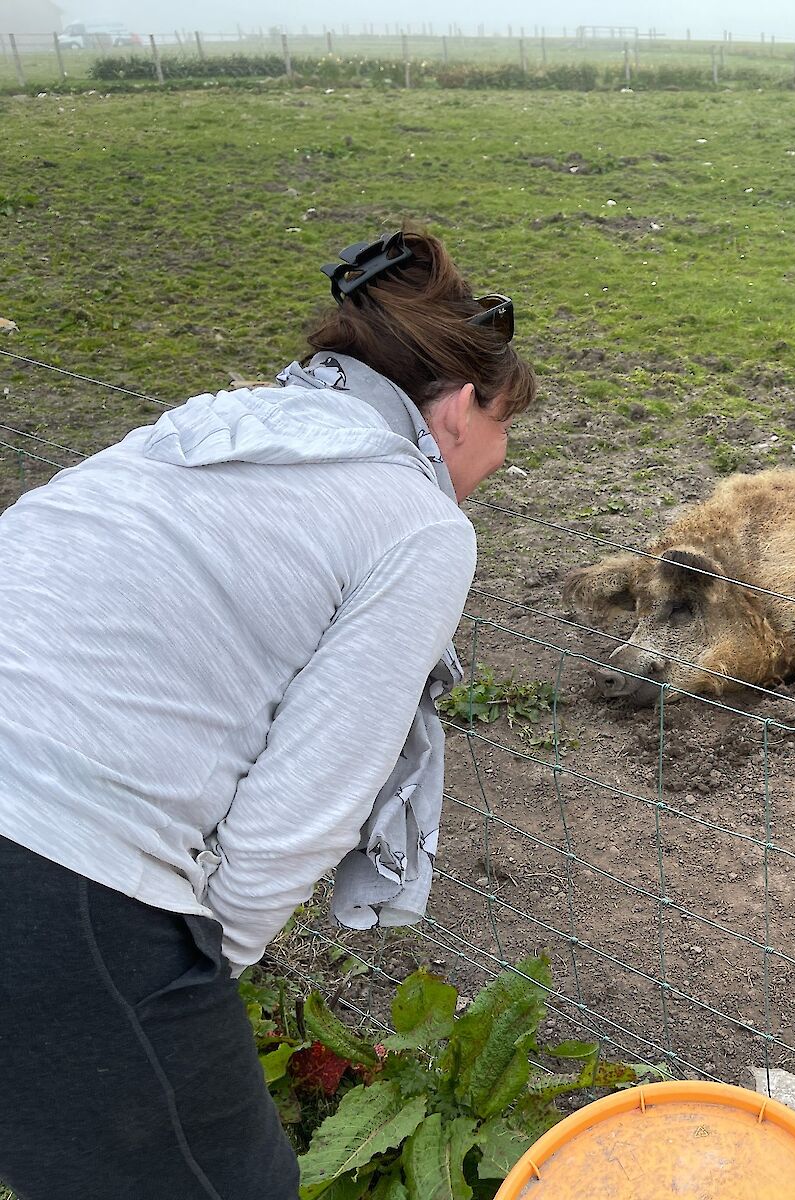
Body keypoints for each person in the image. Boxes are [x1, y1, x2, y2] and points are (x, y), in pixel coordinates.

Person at [0, 227, 537, 1199]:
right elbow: (306, 806)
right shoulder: (415, 522)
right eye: (506, 429)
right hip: (58, 865)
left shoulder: (208, 421)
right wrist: (199, 968)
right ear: (461, 409)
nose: (497, 461)